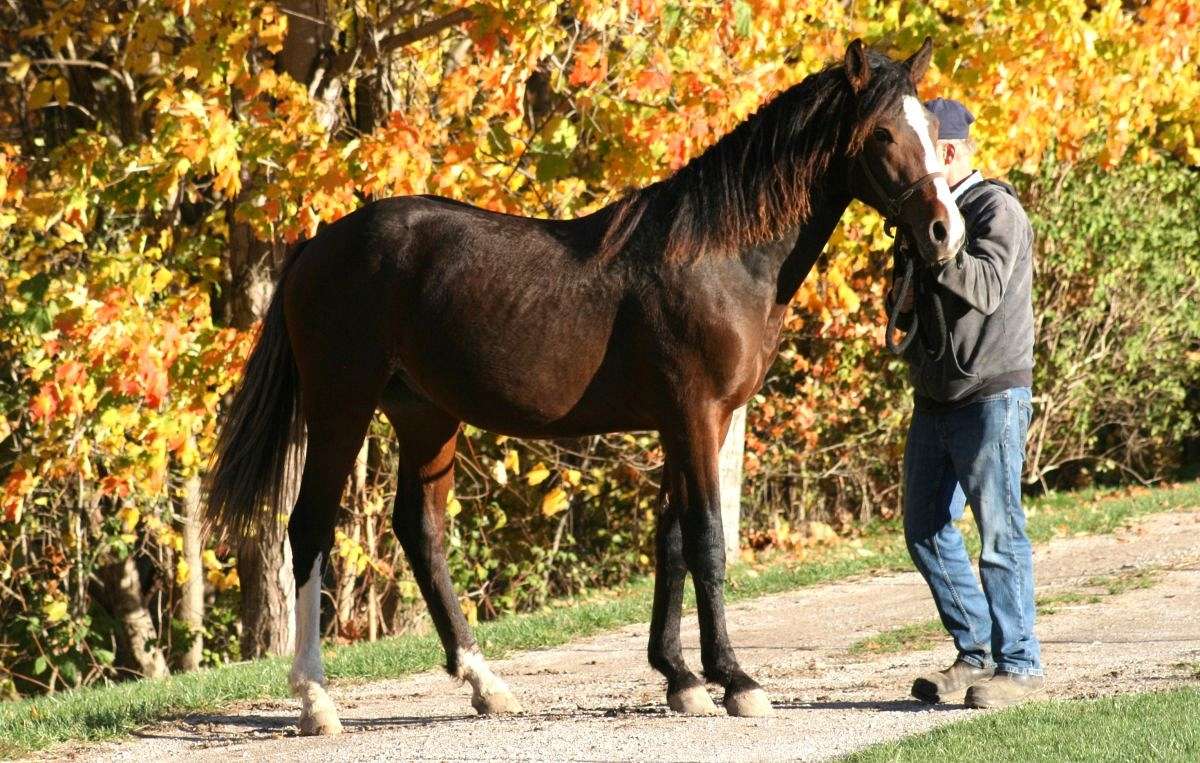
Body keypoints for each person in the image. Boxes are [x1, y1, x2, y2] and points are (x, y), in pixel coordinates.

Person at [889, 97, 1042, 709]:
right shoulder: (927, 216)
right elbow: (903, 307)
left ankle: (1020, 666)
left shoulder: (994, 209)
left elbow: (982, 287)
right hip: (936, 396)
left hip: (991, 395)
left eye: (922, 153)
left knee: (999, 532)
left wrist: (942, 246)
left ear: (945, 152)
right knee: (924, 529)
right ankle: (973, 653)